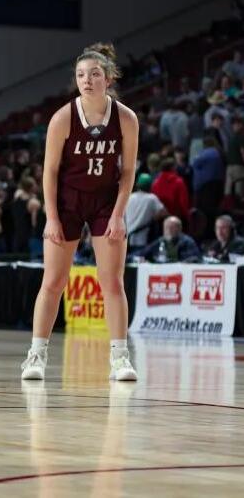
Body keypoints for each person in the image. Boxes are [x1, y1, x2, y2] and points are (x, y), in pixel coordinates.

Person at [22, 43, 138, 383]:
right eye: (81, 75)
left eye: (95, 74)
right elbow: (50, 172)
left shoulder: (126, 118)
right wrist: (52, 217)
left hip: (105, 200)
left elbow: (128, 171)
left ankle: (120, 358)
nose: (87, 80)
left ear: (108, 78)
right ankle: (36, 356)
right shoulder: (63, 117)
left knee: (112, 282)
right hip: (68, 201)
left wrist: (118, 213)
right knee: (54, 281)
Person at [124, 174, 167, 254]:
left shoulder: (129, 197)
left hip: (127, 237)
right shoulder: (151, 198)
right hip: (143, 239)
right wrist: (153, 218)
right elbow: (164, 213)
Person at [192, 137, 225, 222]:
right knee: (215, 206)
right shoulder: (219, 152)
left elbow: (195, 163)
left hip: (205, 185)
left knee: (205, 209)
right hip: (219, 182)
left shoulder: (207, 153)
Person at [151, 158, 190, 224]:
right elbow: (183, 202)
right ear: (173, 168)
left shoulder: (155, 183)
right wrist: (187, 217)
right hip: (176, 219)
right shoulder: (179, 182)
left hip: (160, 220)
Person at [225, 116, 244, 199]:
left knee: (228, 190)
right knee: (238, 189)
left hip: (231, 166)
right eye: (234, 124)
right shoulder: (240, 137)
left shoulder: (233, 137)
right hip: (237, 166)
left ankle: (228, 207)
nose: (235, 126)